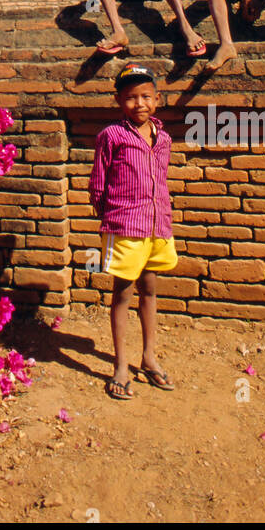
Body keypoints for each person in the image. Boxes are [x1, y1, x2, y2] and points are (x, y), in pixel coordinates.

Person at [90, 64, 177, 400]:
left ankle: (149, 357)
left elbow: (161, 179)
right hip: (125, 226)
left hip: (157, 226)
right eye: (130, 98)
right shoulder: (111, 136)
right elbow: (98, 185)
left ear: (156, 99)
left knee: (151, 289)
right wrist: (113, 216)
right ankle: (121, 365)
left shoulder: (163, 138)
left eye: (145, 96)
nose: (139, 103)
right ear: (118, 101)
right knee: (123, 294)